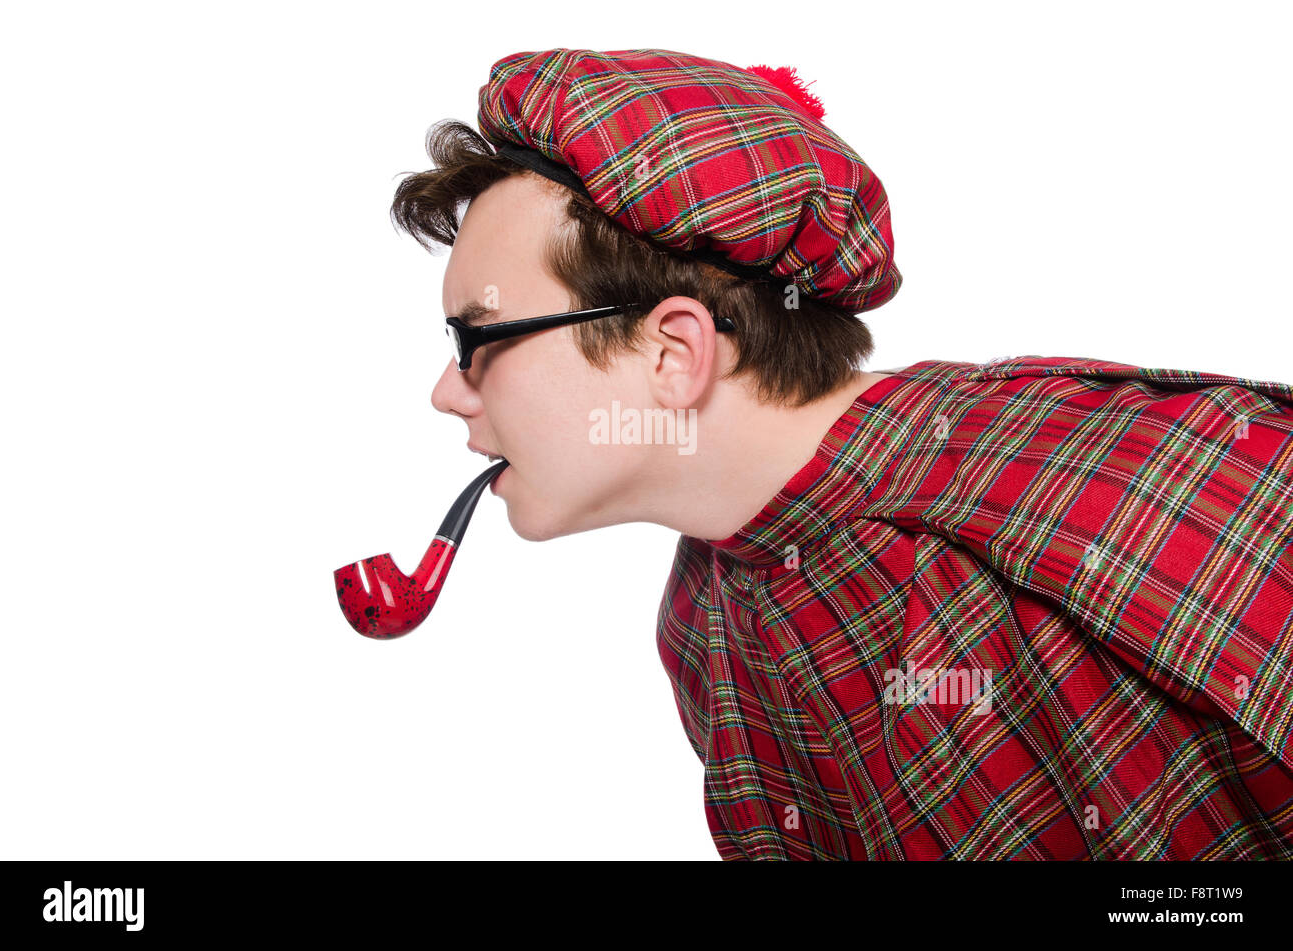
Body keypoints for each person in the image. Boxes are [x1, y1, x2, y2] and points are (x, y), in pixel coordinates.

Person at [397, 48, 1293, 859]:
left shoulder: (1142, 489)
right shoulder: (702, 633)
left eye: (479, 337)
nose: (449, 389)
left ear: (673, 353)